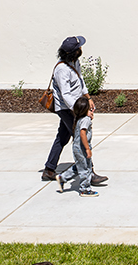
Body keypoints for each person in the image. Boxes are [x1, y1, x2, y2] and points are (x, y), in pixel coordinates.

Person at [41, 35, 107, 186]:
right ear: (74, 52)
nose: (82, 48)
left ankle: (49, 169)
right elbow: (66, 95)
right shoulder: (62, 69)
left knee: (62, 137)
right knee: (81, 140)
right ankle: (89, 174)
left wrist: (88, 97)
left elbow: (80, 80)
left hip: (75, 106)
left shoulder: (74, 62)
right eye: (79, 47)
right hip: (66, 108)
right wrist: (80, 111)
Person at [57, 92, 97, 195]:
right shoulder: (86, 120)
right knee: (86, 169)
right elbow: (83, 134)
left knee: (80, 165)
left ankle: (63, 177)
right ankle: (85, 189)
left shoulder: (79, 118)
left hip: (77, 147)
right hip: (82, 148)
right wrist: (87, 149)